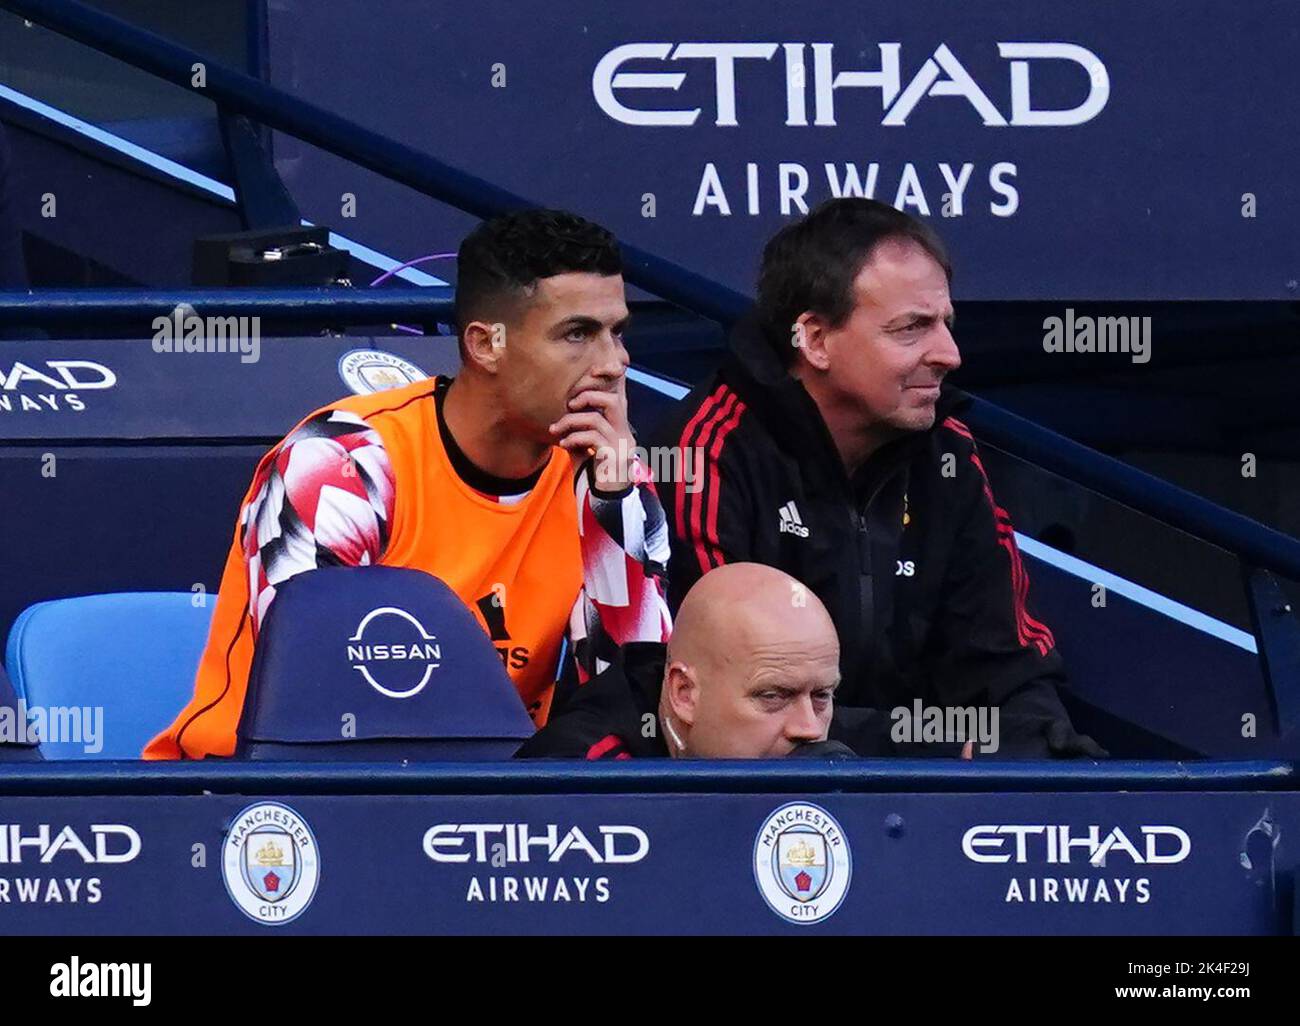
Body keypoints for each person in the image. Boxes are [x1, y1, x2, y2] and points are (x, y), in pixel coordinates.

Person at [145, 210, 671, 759]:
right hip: (257, 800)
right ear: (485, 344)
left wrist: (615, 506)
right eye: (578, 334)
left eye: (618, 333)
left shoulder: (609, 472)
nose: (614, 364)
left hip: (486, 803)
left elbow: (630, 698)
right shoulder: (341, 463)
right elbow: (322, 703)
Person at [653, 198, 1101, 758]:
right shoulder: (705, 450)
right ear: (814, 340)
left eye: (946, 325)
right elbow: (737, 701)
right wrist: (936, 746)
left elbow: (1007, 663)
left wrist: (1038, 741)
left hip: (919, 794)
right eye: (912, 328)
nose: (950, 354)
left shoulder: (949, 453)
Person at [517, 562, 848, 759]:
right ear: (684, 694)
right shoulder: (575, 783)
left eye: (822, 696)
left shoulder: (851, 744)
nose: (810, 728)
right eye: (773, 696)